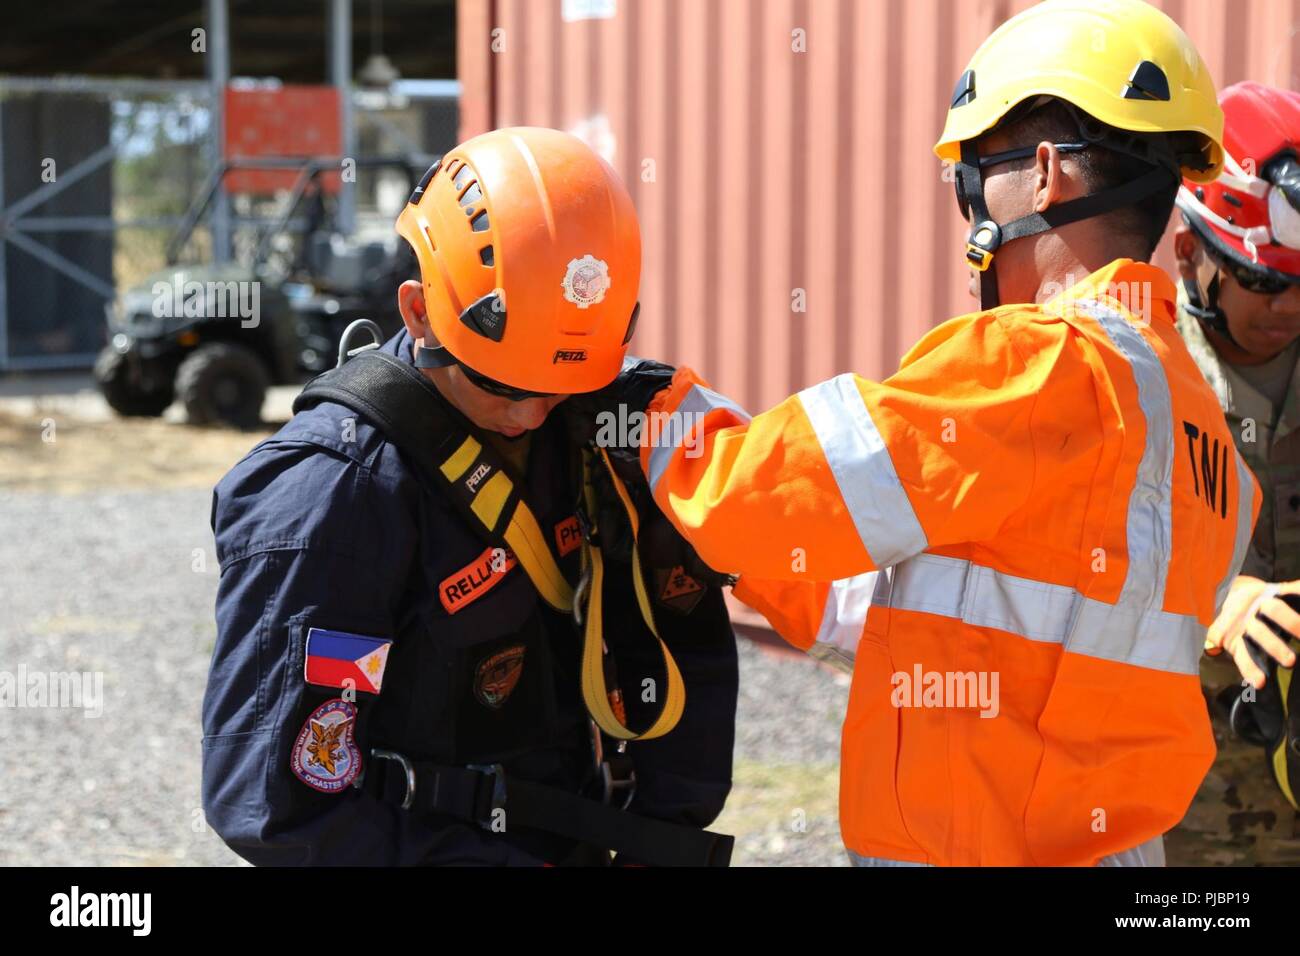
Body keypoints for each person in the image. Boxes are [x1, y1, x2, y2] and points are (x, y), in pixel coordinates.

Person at [600, 0, 1259, 866]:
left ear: (1048, 173)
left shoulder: (1035, 361)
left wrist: (642, 407)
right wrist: (770, 574)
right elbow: (932, 603)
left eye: (975, 173)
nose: (972, 209)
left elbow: (750, 497)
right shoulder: (1207, 444)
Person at [201, 127, 738, 866]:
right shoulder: (335, 501)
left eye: (557, 388)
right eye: (500, 383)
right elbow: (282, 811)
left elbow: (686, 641)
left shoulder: (604, 431)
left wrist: (664, 832)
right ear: (419, 312)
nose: (528, 415)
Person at [1167, 80, 1300, 865]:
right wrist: (1221, 596)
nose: (1288, 306)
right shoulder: (1133, 381)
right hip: (1189, 812)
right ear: (1190, 253)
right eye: (1264, 281)